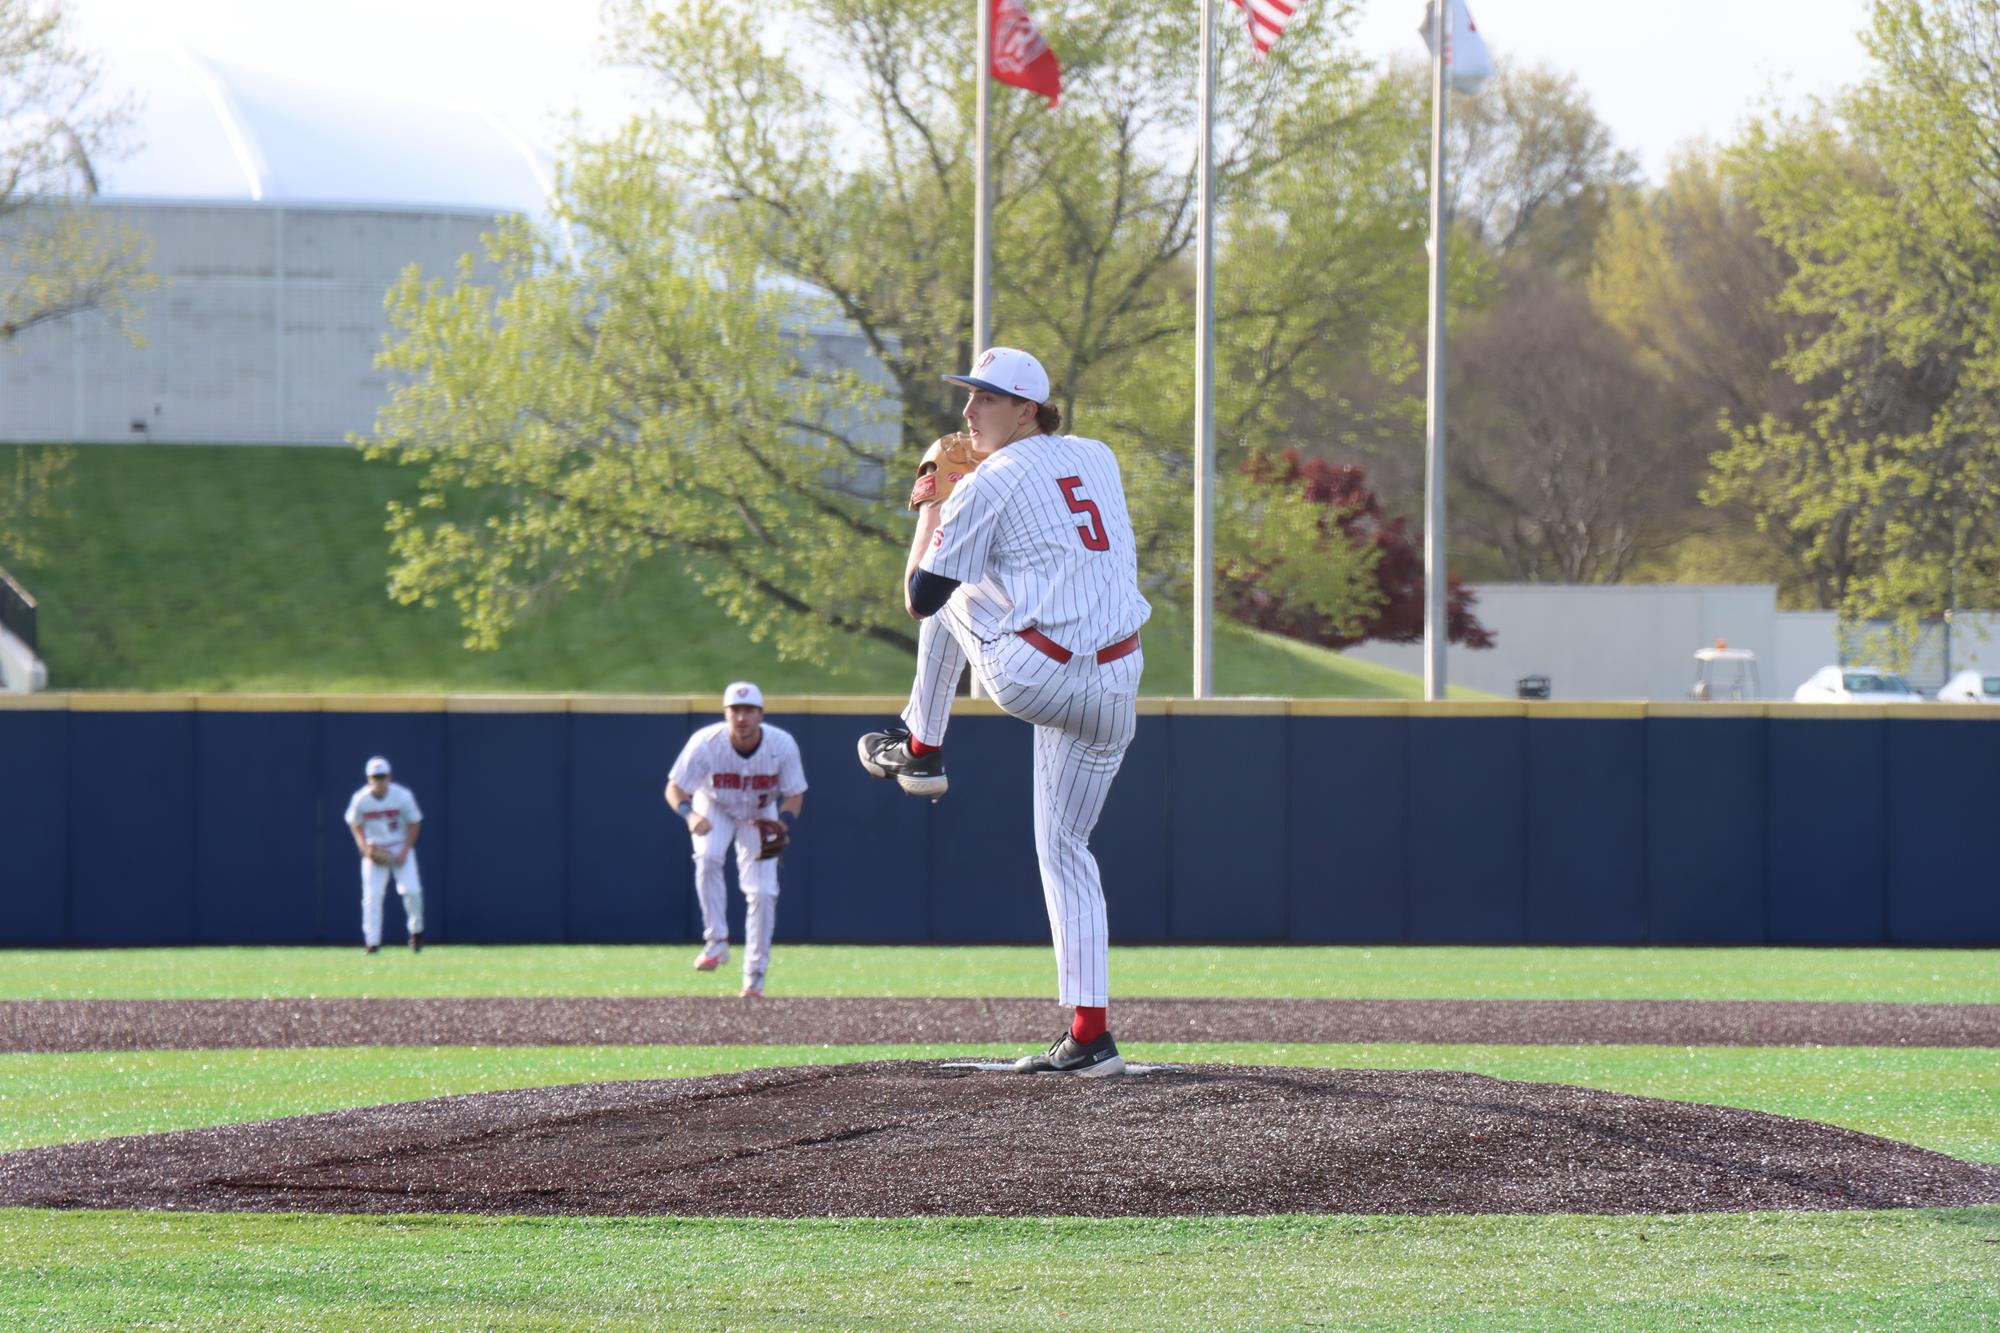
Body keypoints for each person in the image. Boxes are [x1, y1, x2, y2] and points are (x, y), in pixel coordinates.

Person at [858, 346, 1149, 1077]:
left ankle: (921, 746)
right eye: (969, 395)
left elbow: (919, 596)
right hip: (1117, 685)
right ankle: (1090, 1034)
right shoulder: (1098, 455)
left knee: (947, 589)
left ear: (1027, 409)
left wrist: (932, 502)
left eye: (986, 397)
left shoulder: (989, 481)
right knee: (1067, 851)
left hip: (1038, 675)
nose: (968, 411)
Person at [666, 682, 808, 998]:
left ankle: (755, 975)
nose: (742, 717)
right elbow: (674, 788)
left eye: (749, 710)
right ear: (726, 713)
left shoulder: (782, 744)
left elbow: (795, 793)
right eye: (736, 710)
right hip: (714, 804)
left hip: (760, 811)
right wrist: (690, 815)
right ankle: (716, 941)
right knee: (708, 856)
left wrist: (783, 824)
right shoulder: (705, 743)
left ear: (761, 714)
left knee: (762, 892)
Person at [344, 756, 425, 954]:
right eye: (374, 777)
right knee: (372, 897)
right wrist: (364, 847)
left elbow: (415, 822)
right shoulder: (361, 799)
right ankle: (372, 943)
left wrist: (405, 850)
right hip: (376, 848)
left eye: (382, 776)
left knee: (412, 892)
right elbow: (354, 822)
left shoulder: (402, 796)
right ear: (368, 778)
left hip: (399, 845)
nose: (378, 781)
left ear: (389, 776)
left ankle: (416, 933)